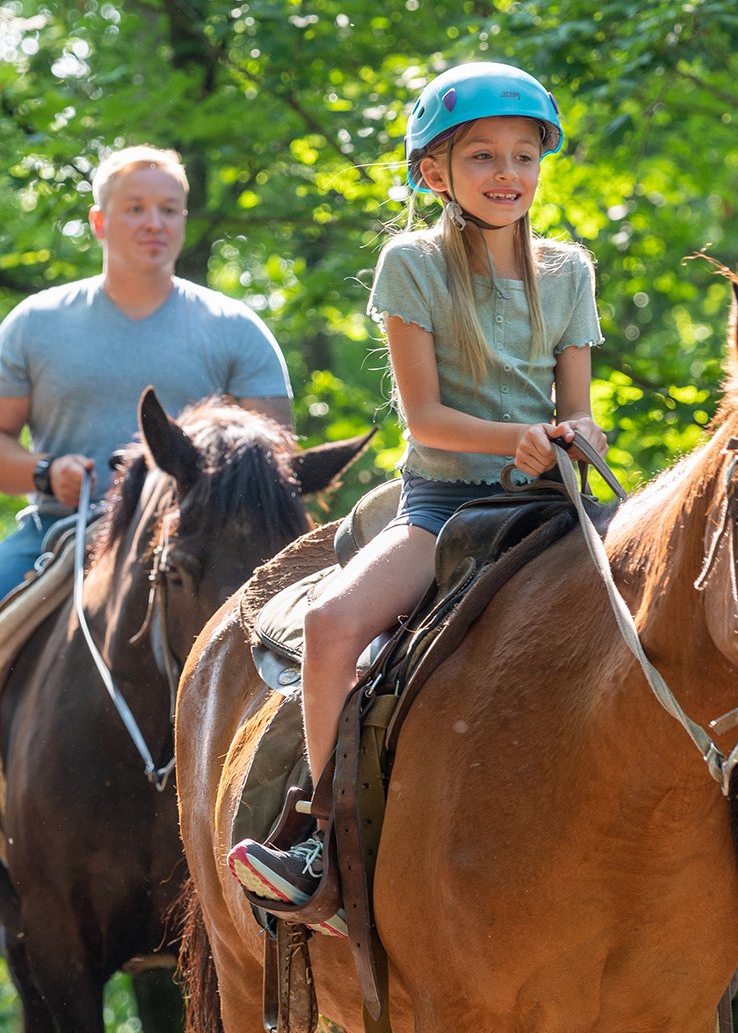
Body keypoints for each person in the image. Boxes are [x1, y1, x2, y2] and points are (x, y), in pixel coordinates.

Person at [228, 61, 608, 934]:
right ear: (435, 173)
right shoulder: (412, 265)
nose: (507, 173)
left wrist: (577, 439)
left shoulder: (568, 271)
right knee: (329, 629)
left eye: (523, 154)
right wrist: (509, 438)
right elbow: (427, 416)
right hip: (442, 506)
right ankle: (323, 839)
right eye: (481, 157)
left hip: (548, 510)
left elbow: (579, 411)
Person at [0, 145, 293, 600]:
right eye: (135, 209)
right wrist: (47, 473)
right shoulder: (34, 322)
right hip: (58, 532)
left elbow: (277, 466)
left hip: (199, 546)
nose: (154, 223)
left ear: (183, 220)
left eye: (169, 210)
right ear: (99, 222)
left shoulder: (238, 330)